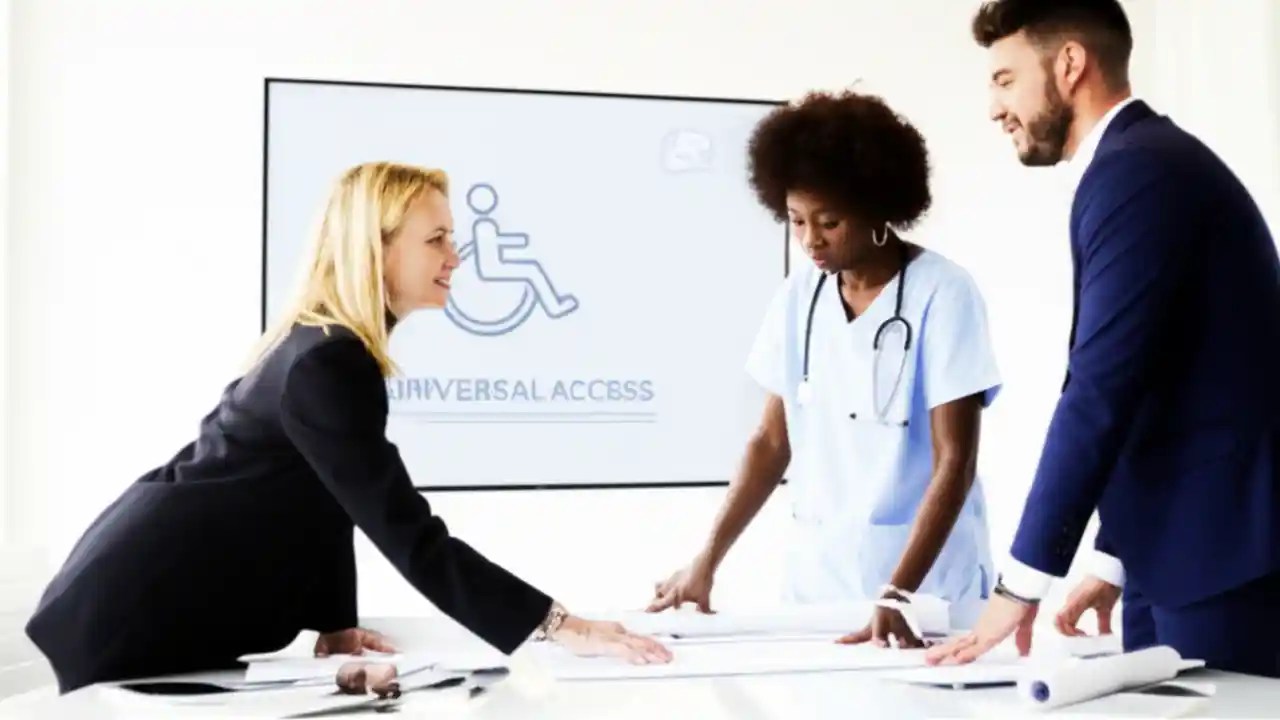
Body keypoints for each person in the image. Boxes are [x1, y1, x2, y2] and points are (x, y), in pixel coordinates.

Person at [25, 161, 672, 694]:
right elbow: (408, 532)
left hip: (134, 598)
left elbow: (328, 498)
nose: (457, 256)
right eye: (436, 239)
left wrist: (336, 625)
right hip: (131, 612)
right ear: (377, 248)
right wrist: (560, 624)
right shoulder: (328, 359)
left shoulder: (329, 345)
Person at [927, 0, 1280, 678]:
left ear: (1069, 64)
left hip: (1224, 553)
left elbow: (1101, 387)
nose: (993, 108)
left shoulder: (1139, 171)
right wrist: (1115, 555)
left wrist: (1019, 585)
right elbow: (1161, 379)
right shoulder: (1139, 164)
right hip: (1177, 552)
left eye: (1004, 79)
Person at [648, 90, 1004, 644]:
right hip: (819, 594)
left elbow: (954, 460)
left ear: (878, 206)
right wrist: (706, 561)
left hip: (927, 597)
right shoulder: (799, 298)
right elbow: (770, 443)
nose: (811, 239)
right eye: (795, 221)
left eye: (830, 221)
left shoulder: (944, 294)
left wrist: (899, 592)